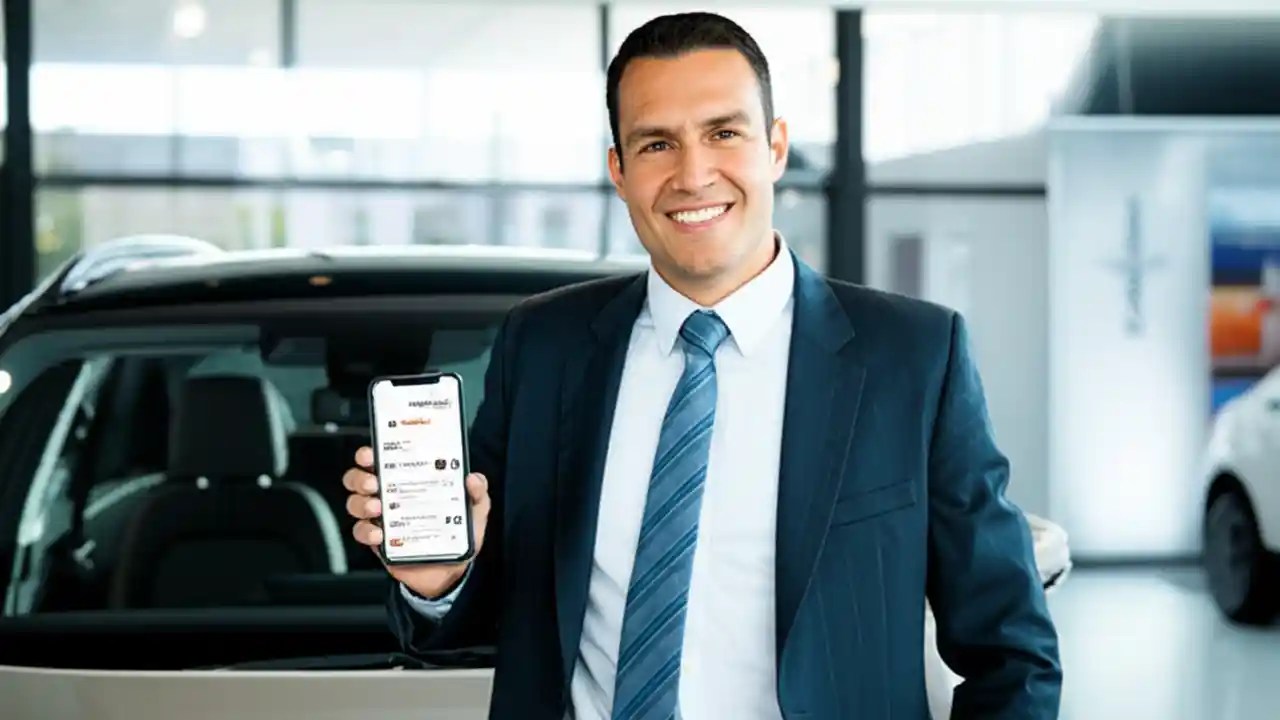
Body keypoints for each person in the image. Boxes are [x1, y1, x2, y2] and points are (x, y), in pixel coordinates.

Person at [342, 11, 1061, 719]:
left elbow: (1011, 652)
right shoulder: (544, 345)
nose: (693, 174)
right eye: (656, 144)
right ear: (619, 171)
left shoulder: (911, 357)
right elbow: (499, 607)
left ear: (775, 147)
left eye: (724, 132)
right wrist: (439, 582)